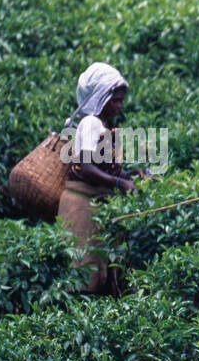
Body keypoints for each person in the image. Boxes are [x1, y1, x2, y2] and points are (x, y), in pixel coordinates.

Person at [57, 62, 139, 294]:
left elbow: (107, 169)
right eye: (115, 100)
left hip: (97, 204)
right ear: (100, 97)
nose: (119, 106)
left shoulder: (106, 125)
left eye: (121, 100)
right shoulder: (90, 123)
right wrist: (120, 183)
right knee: (83, 270)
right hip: (81, 205)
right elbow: (86, 167)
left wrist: (131, 175)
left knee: (100, 267)